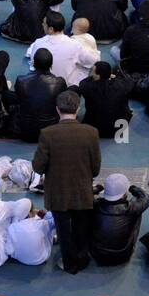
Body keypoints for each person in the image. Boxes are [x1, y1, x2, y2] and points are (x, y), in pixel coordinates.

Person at [32, 89, 101, 274]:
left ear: (57, 109)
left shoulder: (47, 134)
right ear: (78, 109)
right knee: (81, 227)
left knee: (63, 230)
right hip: (81, 191)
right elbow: (95, 169)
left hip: (57, 193)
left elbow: (38, 167)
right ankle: (82, 258)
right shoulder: (91, 132)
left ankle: (69, 263)